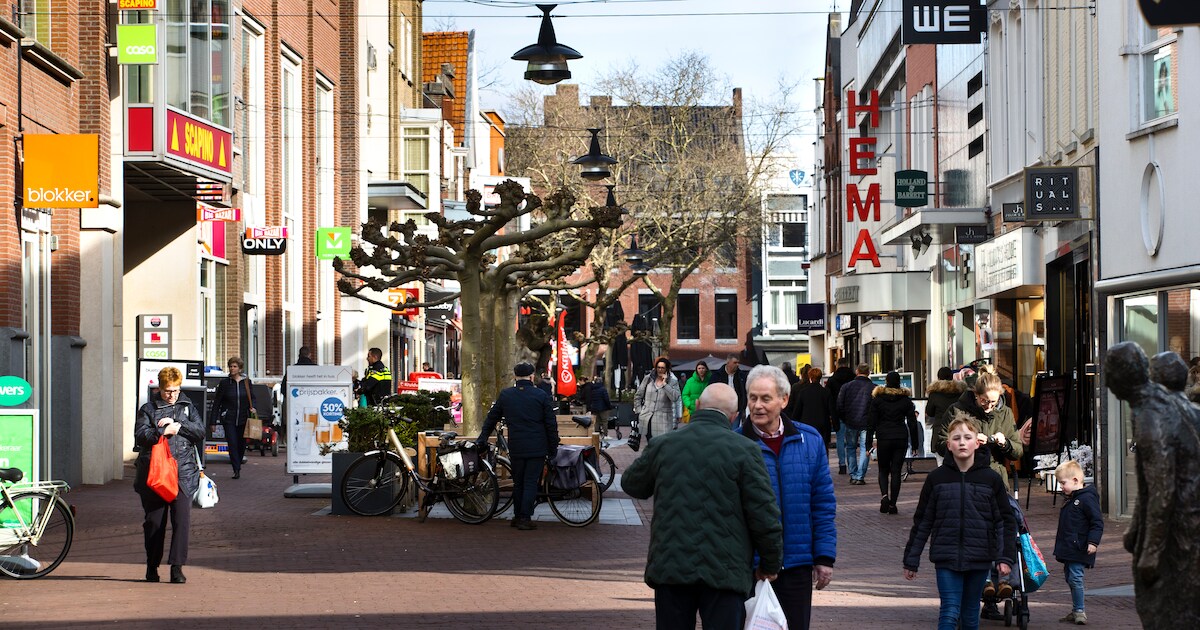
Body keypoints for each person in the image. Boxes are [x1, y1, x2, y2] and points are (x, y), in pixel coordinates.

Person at [622, 383, 784, 629]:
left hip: (672, 566)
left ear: (697, 406)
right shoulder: (745, 450)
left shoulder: (664, 445)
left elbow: (632, 484)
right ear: (735, 416)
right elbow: (764, 514)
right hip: (725, 571)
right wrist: (770, 564)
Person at [738, 365, 837, 630]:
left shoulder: (810, 440)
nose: (757, 406)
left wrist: (824, 557)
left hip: (797, 564)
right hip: (750, 568)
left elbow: (822, 503)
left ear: (784, 399)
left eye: (765, 398)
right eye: (752, 398)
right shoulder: (735, 444)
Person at [903, 412, 1018, 630]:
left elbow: (1005, 520)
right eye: (956, 438)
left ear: (977, 442)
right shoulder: (936, 479)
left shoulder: (990, 479)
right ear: (948, 445)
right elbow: (923, 521)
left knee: (970, 613)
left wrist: (1005, 557)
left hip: (980, 556)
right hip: (946, 556)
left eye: (967, 437)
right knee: (949, 611)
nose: (962, 442)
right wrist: (912, 558)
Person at [133, 366, 206, 584]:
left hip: (182, 473)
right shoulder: (148, 409)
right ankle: (152, 566)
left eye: (175, 390)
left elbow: (200, 431)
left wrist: (178, 425)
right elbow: (140, 436)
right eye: (167, 391)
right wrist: (161, 431)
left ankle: (177, 567)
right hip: (155, 475)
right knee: (154, 523)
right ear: (160, 388)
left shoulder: (187, 407)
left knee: (181, 522)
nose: (171, 395)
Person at [476, 362, 559, 531]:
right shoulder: (541, 395)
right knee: (530, 482)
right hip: (537, 445)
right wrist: (553, 446)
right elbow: (551, 424)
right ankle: (525, 517)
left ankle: (516, 515)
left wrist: (483, 437)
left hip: (516, 445)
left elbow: (492, 418)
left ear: (515, 377)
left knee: (519, 481)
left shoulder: (507, 395)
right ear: (532, 376)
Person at [941, 372, 1023, 491]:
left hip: (994, 477)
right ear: (976, 394)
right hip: (964, 476)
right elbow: (941, 444)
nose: (989, 406)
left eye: (993, 402)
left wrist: (1005, 443)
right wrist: (968, 440)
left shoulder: (1006, 413)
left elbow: (1018, 452)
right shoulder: (956, 410)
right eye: (984, 401)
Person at [1053, 459, 1104, 626]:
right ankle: (1076, 609)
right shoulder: (1071, 498)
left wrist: (1093, 542)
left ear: (1075, 480)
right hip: (1069, 547)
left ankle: (1080, 610)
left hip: (1079, 547)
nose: (1061, 487)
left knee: (1075, 578)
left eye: (1063, 483)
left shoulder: (1086, 499)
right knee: (1070, 577)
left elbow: (1097, 522)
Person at [867, 371, 920, 515]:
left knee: (883, 469)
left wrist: (868, 443)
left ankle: (884, 496)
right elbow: (912, 423)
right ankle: (893, 504)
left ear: (886, 382)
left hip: (883, 437)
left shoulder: (877, 400)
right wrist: (915, 444)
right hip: (900, 437)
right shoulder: (906, 401)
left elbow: (871, 422)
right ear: (899, 383)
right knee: (896, 471)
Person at [210, 356, 256, 479]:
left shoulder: (246, 382)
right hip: (228, 418)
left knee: (241, 444)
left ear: (240, 368)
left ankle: (238, 461)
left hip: (243, 418)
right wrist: (213, 421)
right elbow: (217, 403)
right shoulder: (225, 384)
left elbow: (252, 398)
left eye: (235, 366)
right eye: (230, 366)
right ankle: (236, 469)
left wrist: (253, 407)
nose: (232, 369)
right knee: (232, 443)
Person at [835, 363, 875, 485]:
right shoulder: (873, 388)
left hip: (850, 422)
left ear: (857, 371)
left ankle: (853, 474)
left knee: (851, 448)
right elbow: (875, 408)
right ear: (868, 372)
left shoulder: (846, 387)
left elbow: (839, 406)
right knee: (865, 448)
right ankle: (860, 476)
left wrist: (845, 419)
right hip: (866, 423)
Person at [634, 356, 682, 441]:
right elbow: (638, 395)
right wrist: (639, 411)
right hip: (647, 418)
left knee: (662, 444)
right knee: (650, 443)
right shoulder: (648, 379)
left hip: (663, 420)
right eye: (658, 367)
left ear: (667, 369)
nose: (660, 370)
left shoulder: (673, 382)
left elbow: (675, 398)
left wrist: (665, 385)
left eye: (662, 368)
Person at [784, 367, 834, 447]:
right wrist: (835, 424)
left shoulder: (803, 392)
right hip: (823, 425)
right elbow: (831, 410)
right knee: (823, 448)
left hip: (807, 424)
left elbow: (797, 411)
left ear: (810, 377)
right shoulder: (826, 392)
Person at [825, 358, 856, 475]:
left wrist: (831, 414)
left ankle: (842, 465)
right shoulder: (853, 378)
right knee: (851, 442)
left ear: (837, 365)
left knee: (839, 439)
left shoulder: (832, 380)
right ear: (847, 364)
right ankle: (852, 466)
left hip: (837, 413)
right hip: (852, 413)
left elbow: (829, 399)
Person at [925, 367, 966, 450]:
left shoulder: (934, 394)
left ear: (939, 378)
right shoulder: (960, 392)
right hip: (957, 429)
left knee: (941, 460)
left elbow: (930, 412)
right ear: (952, 377)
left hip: (940, 430)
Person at [716, 354, 748, 424]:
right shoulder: (717, 375)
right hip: (721, 409)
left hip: (737, 410)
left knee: (734, 431)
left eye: (738, 362)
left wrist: (743, 407)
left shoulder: (742, 376)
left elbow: (745, 392)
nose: (737, 365)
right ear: (728, 362)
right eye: (735, 362)